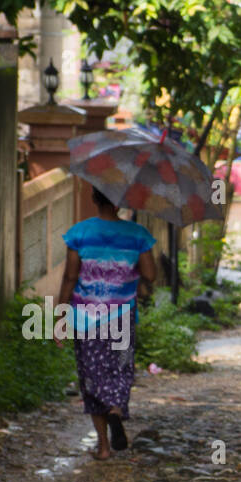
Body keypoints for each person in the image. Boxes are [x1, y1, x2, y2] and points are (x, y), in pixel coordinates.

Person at [56, 185, 157, 460]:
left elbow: (69, 277)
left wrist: (59, 318)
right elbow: (150, 275)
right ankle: (115, 408)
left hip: (85, 318)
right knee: (121, 370)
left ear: (94, 200)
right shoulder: (138, 235)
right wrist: (129, 267)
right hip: (122, 317)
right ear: (120, 204)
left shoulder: (80, 233)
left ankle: (103, 447)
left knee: (91, 377)